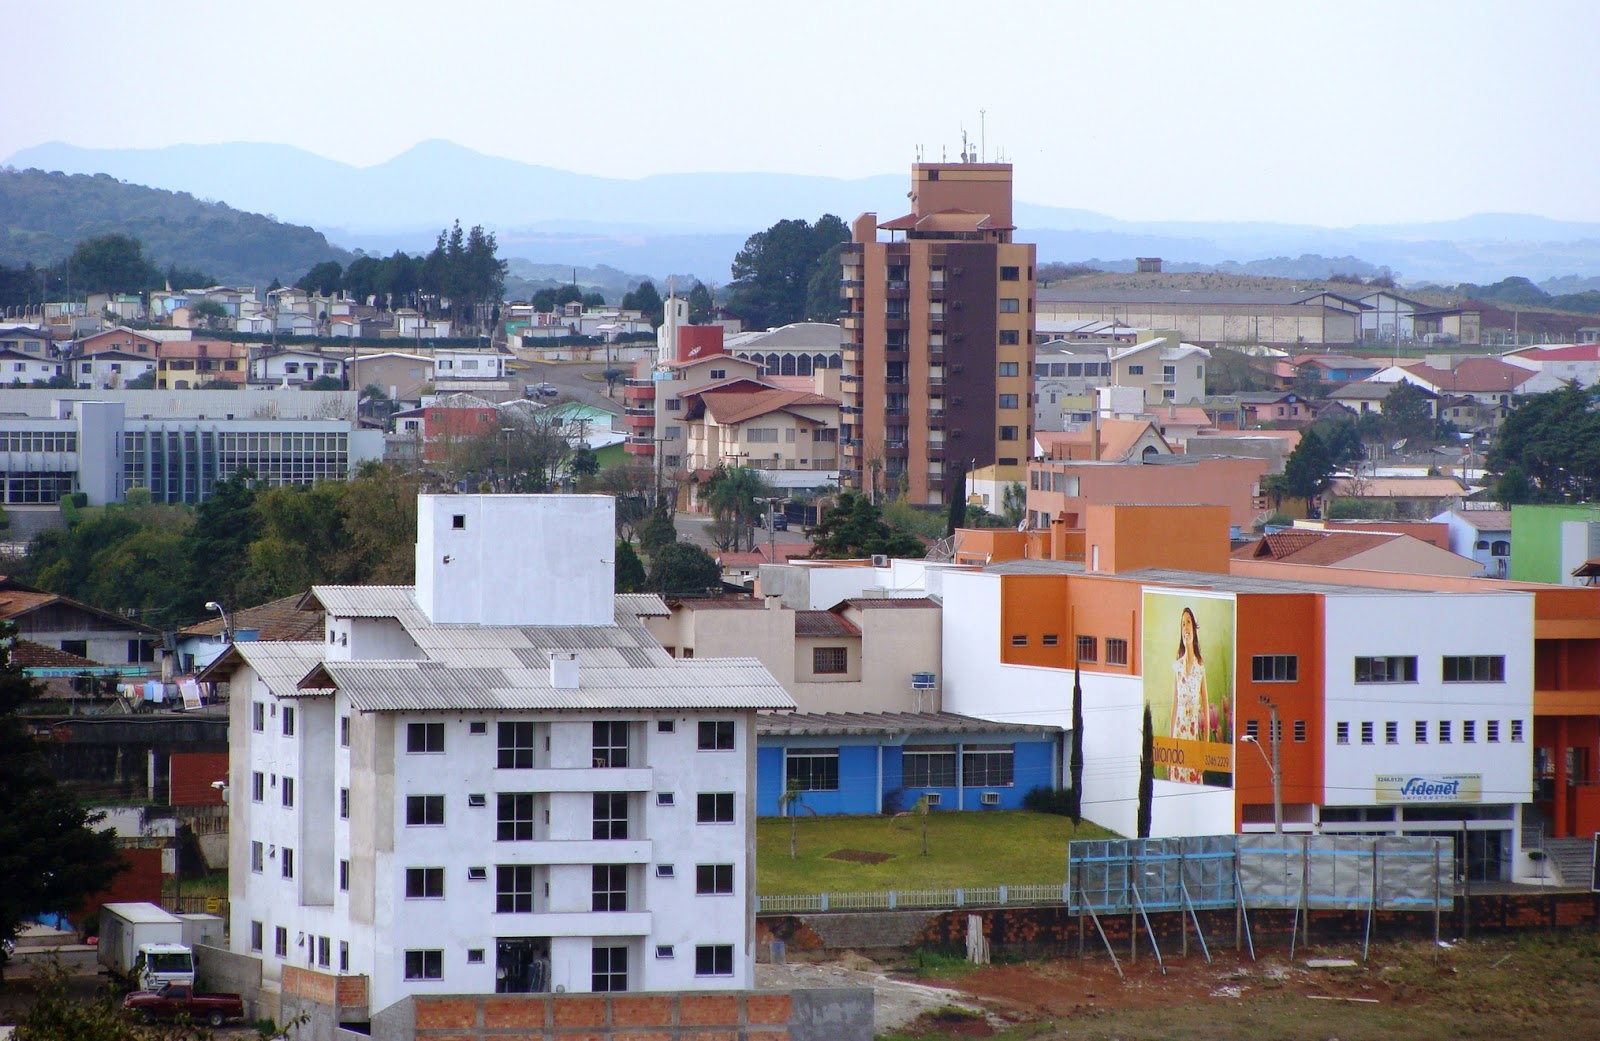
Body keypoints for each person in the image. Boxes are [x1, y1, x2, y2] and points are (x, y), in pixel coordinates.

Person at [1168, 607, 1208, 783]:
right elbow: (1174, 705)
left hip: (1193, 741)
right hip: (1178, 742)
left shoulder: (1200, 668)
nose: (1185, 627)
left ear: (1193, 629)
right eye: (1182, 624)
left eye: (1188, 622)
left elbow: (1206, 707)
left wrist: (1205, 750)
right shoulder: (1177, 667)